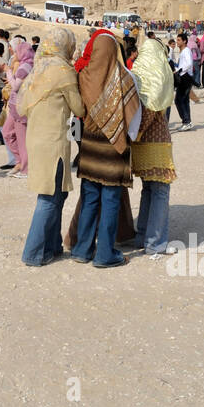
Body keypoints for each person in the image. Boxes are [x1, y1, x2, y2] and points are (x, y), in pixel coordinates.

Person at [66, 30, 137, 268]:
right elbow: (134, 115)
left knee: (89, 198)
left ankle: (82, 249)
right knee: (110, 199)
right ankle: (105, 253)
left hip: (89, 144)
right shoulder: (125, 78)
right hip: (113, 148)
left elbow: (76, 111)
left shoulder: (81, 76)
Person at [19, 28, 84, 266]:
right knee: (48, 198)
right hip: (53, 143)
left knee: (58, 194)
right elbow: (79, 109)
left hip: (37, 140)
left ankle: (53, 246)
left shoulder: (38, 69)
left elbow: (22, 107)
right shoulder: (63, 71)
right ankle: (33, 253)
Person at [129, 37, 178, 255]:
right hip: (155, 142)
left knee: (148, 188)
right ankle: (155, 242)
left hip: (139, 143)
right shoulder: (157, 73)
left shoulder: (138, 70)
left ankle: (142, 236)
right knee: (160, 190)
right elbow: (152, 107)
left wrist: (134, 136)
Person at [3, 39, 36, 178]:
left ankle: (26, 168)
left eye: (15, 50)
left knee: (22, 139)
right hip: (15, 105)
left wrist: (8, 72)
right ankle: (20, 161)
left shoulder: (25, 67)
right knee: (7, 132)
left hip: (20, 106)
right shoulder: (25, 65)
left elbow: (16, 86)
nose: (13, 52)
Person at [172, 33, 195, 131]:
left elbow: (189, 64)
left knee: (179, 100)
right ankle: (187, 122)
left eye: (179, 40)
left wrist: (179, 71)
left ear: (184, 41)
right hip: (184, 77)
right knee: (184, 101)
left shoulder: (186, 51)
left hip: (185, 78)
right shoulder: (183, 52)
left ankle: (186, 121)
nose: (177, 42)